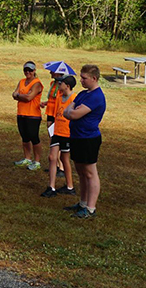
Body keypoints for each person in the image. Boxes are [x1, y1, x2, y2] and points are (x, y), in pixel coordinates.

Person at [63, 65, 106, 219]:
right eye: (81, 77)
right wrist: (71, 111)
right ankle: (82, 203)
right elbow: (66, 111)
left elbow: (73, 114)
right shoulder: (82, 94)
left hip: (88, 138)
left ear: (94, 78)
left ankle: (91, 208)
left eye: (84, 78)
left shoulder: (96, 96)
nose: (80, 80)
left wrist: (72, 112)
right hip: (76, 136)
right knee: (81, 172)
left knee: (90, 172)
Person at [42, 75, 76, 198]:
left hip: (67, 133)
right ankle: (51, 187)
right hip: (57, 131)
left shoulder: (74, 98)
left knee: (65, 159)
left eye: (61, 83)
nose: (58, 85)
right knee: (52, 157)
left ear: (67, 85)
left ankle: (70, 186)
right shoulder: (59, 97)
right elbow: (56, 112)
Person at [12, 61, 44, 170]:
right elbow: (14, 94)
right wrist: (22, 95)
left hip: (33, 115)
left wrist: (19, 95)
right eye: (26, 70)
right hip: (21, 113)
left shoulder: (37, 83)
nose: (27, 72)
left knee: (34, 137)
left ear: (34, 71)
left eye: (30, 70)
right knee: (24, 137)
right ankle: (27, 158)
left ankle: (37, 161)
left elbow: (29, 98)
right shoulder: (21, 82)